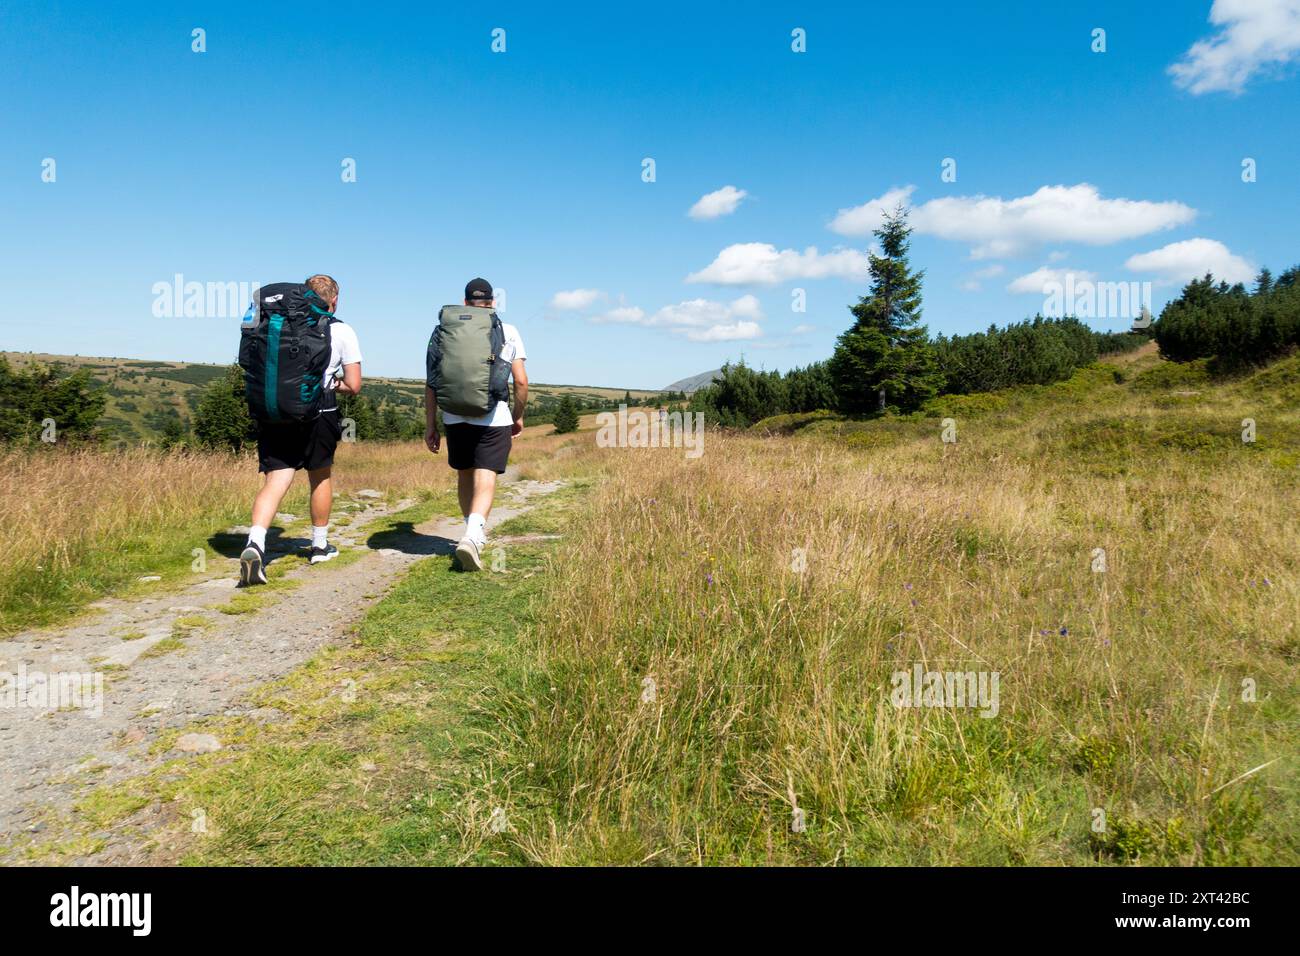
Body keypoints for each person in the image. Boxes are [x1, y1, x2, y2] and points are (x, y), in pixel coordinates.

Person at [239, 274, 363, 586]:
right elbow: (354, 385)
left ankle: (255, 543)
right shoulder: (341, 330)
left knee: (277, 479)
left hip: (275, 409)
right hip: (320, 410)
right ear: (334, 300)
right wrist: (330, 382)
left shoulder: (275, 323)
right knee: (319, 476)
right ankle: (319, 546)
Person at [424, 277, 527, 571]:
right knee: (487, 474)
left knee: (465, 473)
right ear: (492, 302)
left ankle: (470, 530)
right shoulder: (507, 330)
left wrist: (430, 424)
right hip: (494, 416)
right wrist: (517, 415)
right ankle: (473, 535)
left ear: (465, 302)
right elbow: (520, 380)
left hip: (454, 415)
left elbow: (431, 383)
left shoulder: (442, 330)